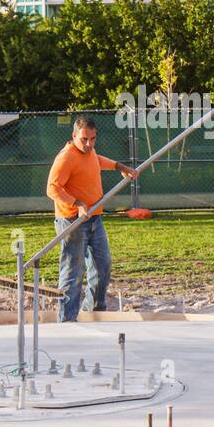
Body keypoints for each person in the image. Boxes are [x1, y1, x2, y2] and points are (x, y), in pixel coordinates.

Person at [46, 116, 138, 321]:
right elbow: (52, 188)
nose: (89, 144)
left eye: (93, 139)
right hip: (72, 222)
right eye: (84, 139)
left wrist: (118, 166)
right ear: (74, 136)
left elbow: (95, 161)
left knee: (102, 267)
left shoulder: (89, 151)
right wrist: (77, 204)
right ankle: (67, 320)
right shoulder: (66, 157)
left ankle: (93, 312)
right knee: (73, 272)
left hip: (94, 219)